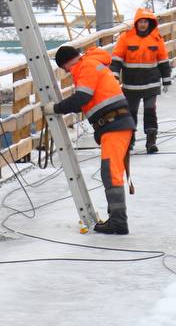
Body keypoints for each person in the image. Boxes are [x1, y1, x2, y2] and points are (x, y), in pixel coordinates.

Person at [51, 43, 135, 235]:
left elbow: (82, 98)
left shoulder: (86, 66)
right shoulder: (91, 64)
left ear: (65, 65)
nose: (67, 72)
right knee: (110, 172)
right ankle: (116, 217)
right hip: (114, 125)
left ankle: (118, 221)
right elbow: (88, 99)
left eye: (65, 70)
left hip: (115, 124)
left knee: (111, 172)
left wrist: (55, 108)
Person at [110, 8, 172, 154]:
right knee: (130, 112)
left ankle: (151, 141)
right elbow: (117, 59)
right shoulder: (126, 38)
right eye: (141, 22)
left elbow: (163, 60)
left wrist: (166, 80)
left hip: (151, 83)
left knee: (150, 111)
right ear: (136, 23)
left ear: (150, 23)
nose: (143, 25)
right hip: (131, 85)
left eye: (146, 22)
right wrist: (114, 77)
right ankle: (129, 140)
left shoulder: (156, 39)